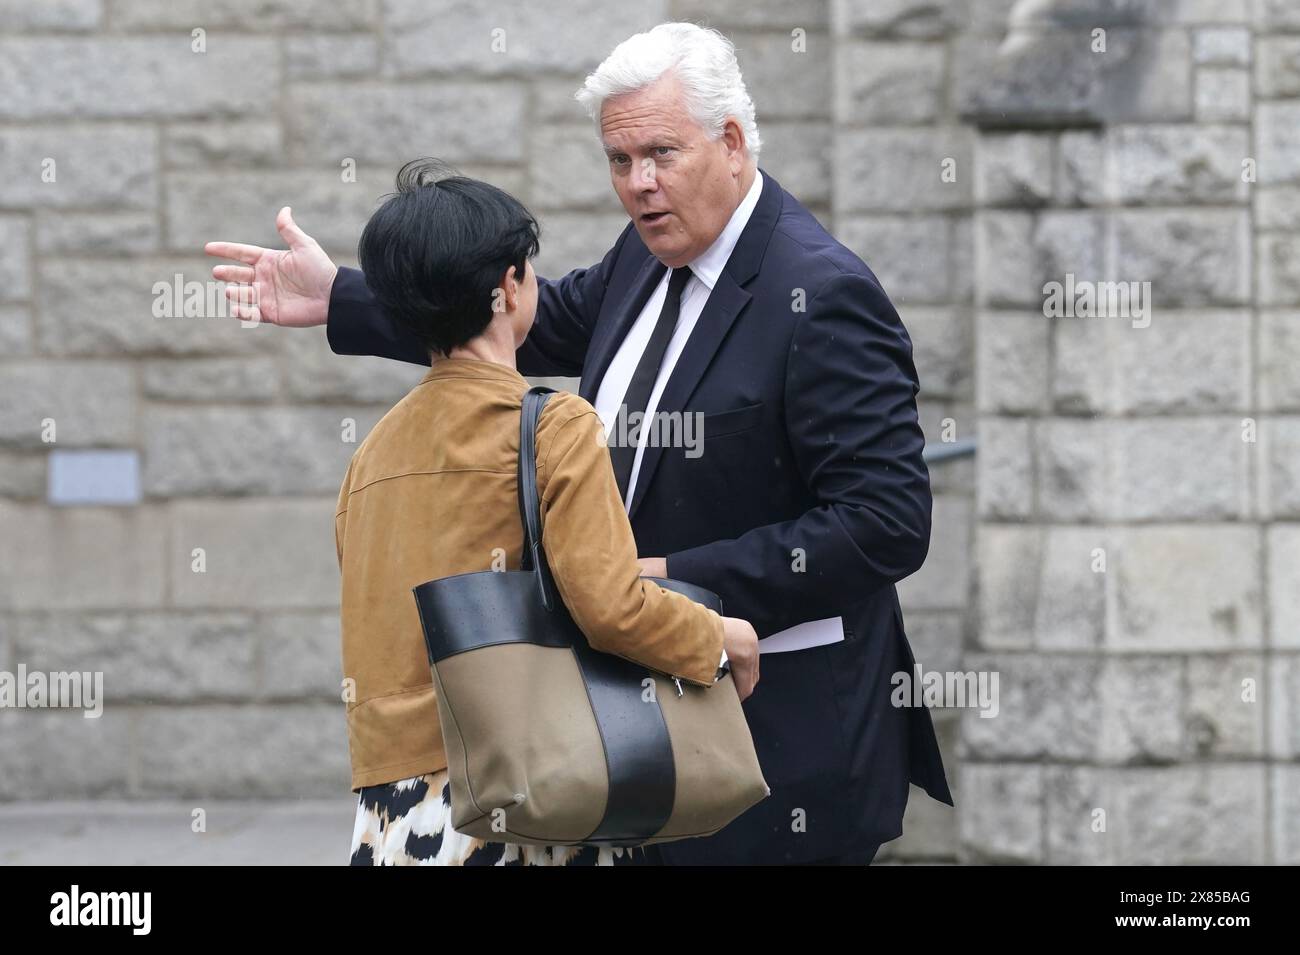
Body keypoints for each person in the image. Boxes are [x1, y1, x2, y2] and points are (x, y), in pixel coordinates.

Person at [207, 21, 951, 866]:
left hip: (778, 741)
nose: (638, 185)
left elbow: (885, 523)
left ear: (734, 142)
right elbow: (526, 313)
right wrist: (345, 296)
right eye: (619, 160)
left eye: (661, 154)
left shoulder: (823, 293)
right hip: (633, 730)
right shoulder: (647, 250)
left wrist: (668, 579)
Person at [312, 158, 759, 865]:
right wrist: (718, 638)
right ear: (510, 287)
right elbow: (610, 605)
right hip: (522, 802)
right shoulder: (552, 424)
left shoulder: (369, 456)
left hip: (391, 816)